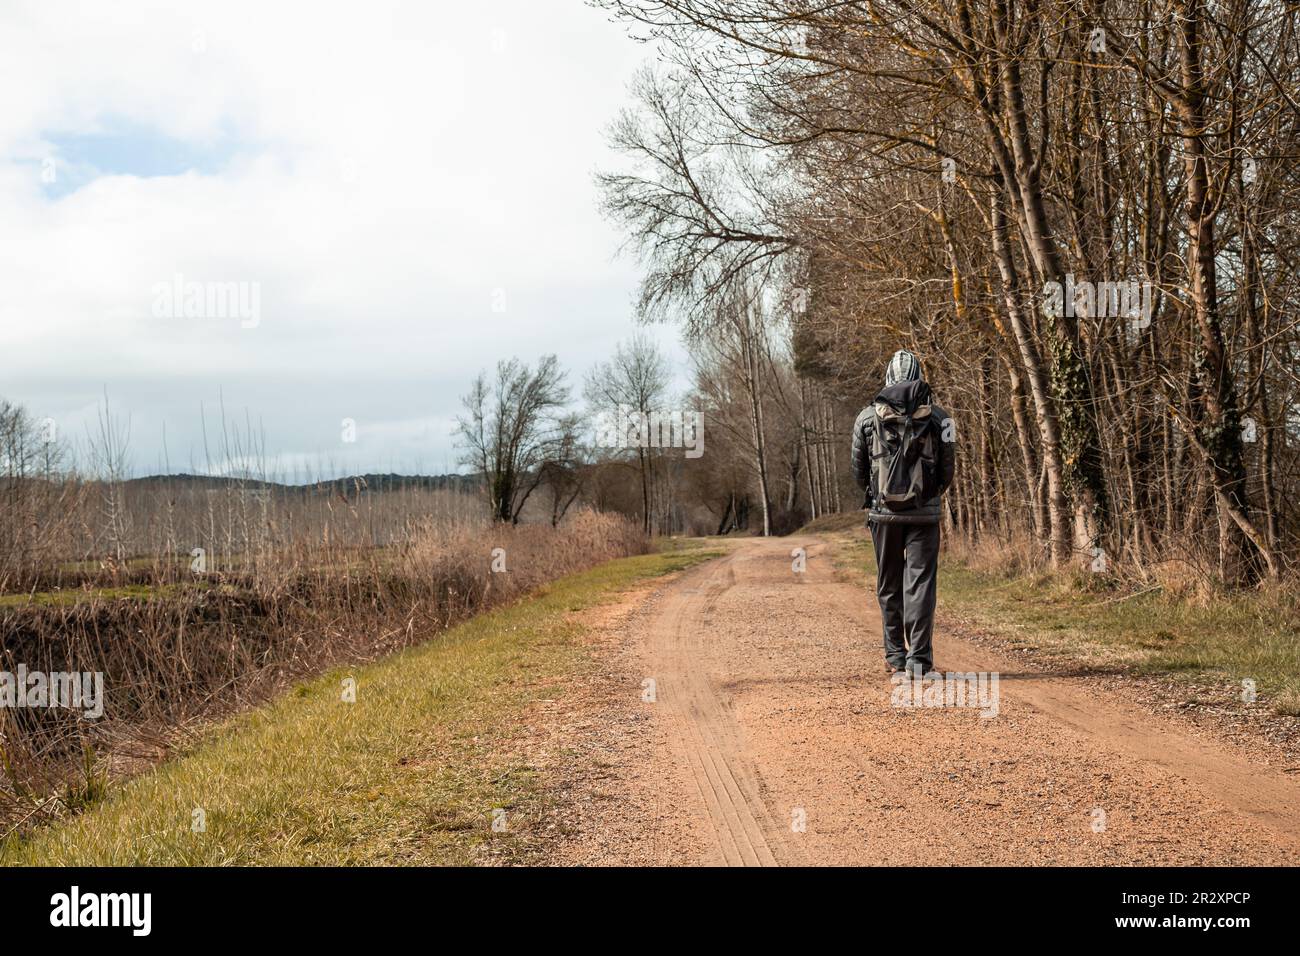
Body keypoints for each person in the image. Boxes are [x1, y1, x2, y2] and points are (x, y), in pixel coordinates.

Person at [850, 349, 955, 677]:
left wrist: (878, 495)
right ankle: (919, 661)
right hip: (924, 514)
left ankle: (896, 656)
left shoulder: (867, 418)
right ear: (919, 376)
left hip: (883, 515)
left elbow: (858, 471)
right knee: (920, 584)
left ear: (887, 378)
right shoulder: (941, 418)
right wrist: (929, 496)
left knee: (889, 582)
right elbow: (947, 472)